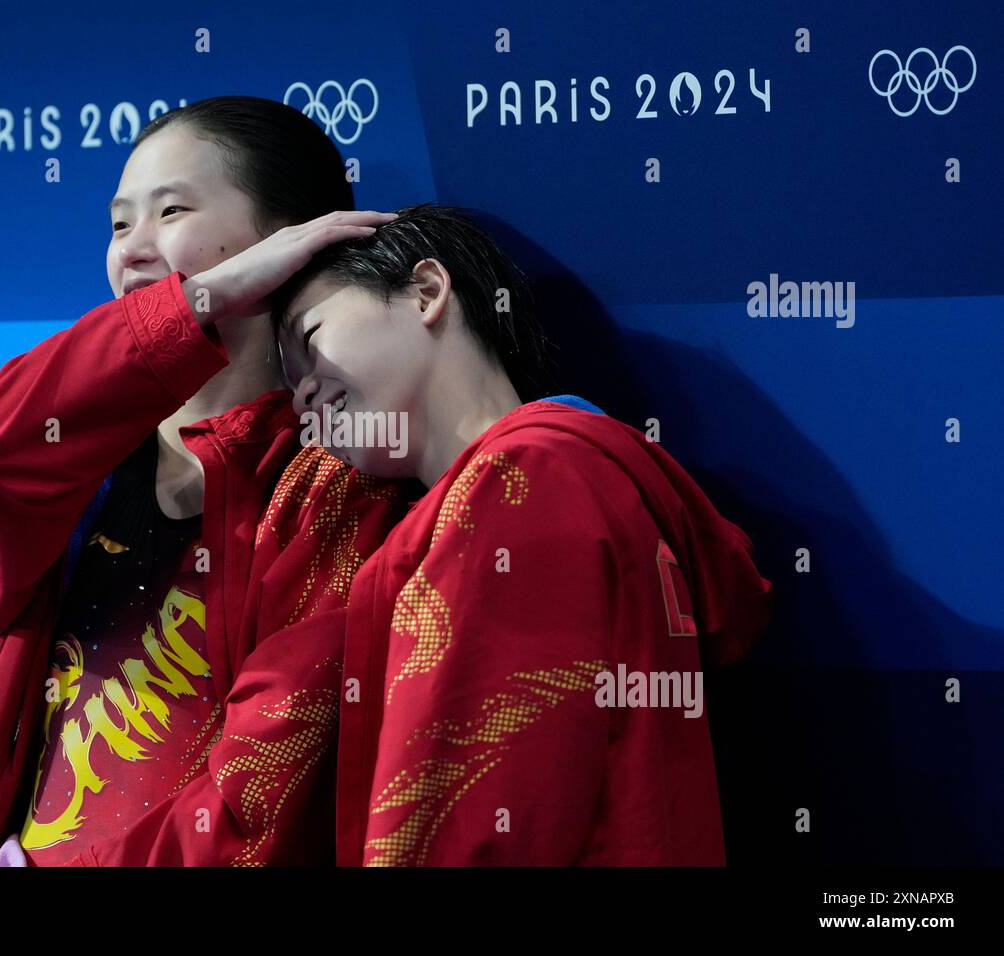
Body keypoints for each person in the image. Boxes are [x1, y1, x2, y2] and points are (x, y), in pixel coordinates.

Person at [0, 96, 408, 867]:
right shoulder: (78, 463)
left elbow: (258, 796)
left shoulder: (334, 479)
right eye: (119, 225)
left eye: (170, 211)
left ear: (287, 243)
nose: (132, 252)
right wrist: (202, 295)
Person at [272, 203, 774, 864]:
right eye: (289, 386)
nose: (304, 395)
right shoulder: (560, 468)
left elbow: (483, 816)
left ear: (427, 291)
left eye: (311, 343)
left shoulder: (522, 478)